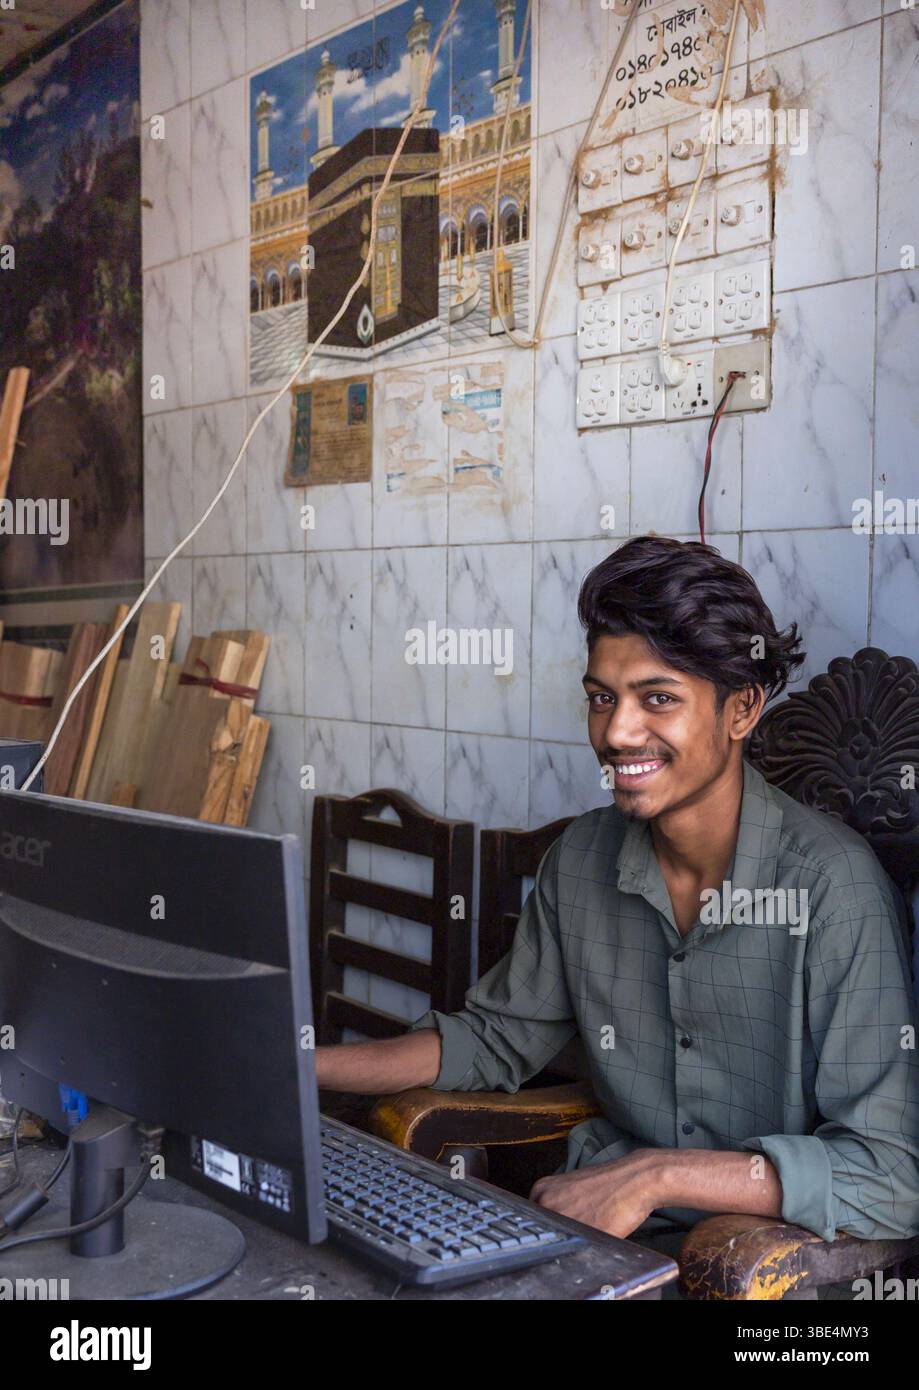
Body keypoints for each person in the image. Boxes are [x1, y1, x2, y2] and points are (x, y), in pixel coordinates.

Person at [317, 536, 919, 1247]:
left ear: (742, 710)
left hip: (768, 1275)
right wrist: (300, 1067)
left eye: (656, 699)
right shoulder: (581, 857)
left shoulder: (832, 889)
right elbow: (494, 1038)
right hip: (595, 1238)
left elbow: (887, 1177)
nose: (616, 732)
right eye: (602, 698)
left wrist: (657, 1175)